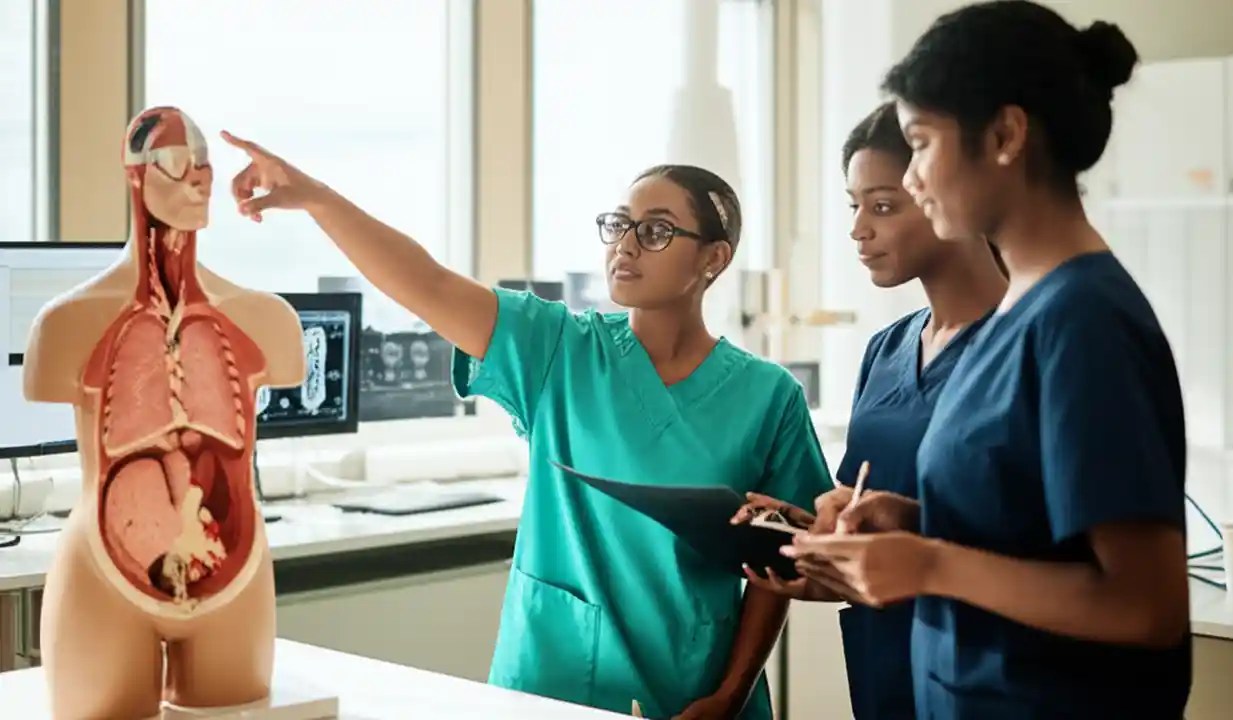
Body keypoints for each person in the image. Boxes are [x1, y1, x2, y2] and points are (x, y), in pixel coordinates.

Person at [218, 132, 834, 719]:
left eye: (655, 231)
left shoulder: (767, 397)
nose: (625, 246)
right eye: (619, 225)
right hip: (552, 678)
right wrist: (316, 198)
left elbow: (777, 566)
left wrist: (732, 692)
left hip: (695, 689)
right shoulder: (556, 349)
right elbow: (427, 282)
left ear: (713, 258)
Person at [783, 2, 1192, 717]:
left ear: (1005, 135)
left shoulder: (1084, 321)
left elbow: (1144, 605)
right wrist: (911, 522)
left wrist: (929, 562)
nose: (913, 180)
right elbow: (1028, 536)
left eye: (921, 144)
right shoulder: (1016, 319)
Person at [729, 101, 1006, 719]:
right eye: (853, 206)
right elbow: (871, 524)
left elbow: (1036, 547)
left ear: (946, 191)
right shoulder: (886, 350)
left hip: (984, 675)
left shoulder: (1026, 348)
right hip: (887, 674)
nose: (858, 230)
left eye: (881, 206)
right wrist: (809, 544)